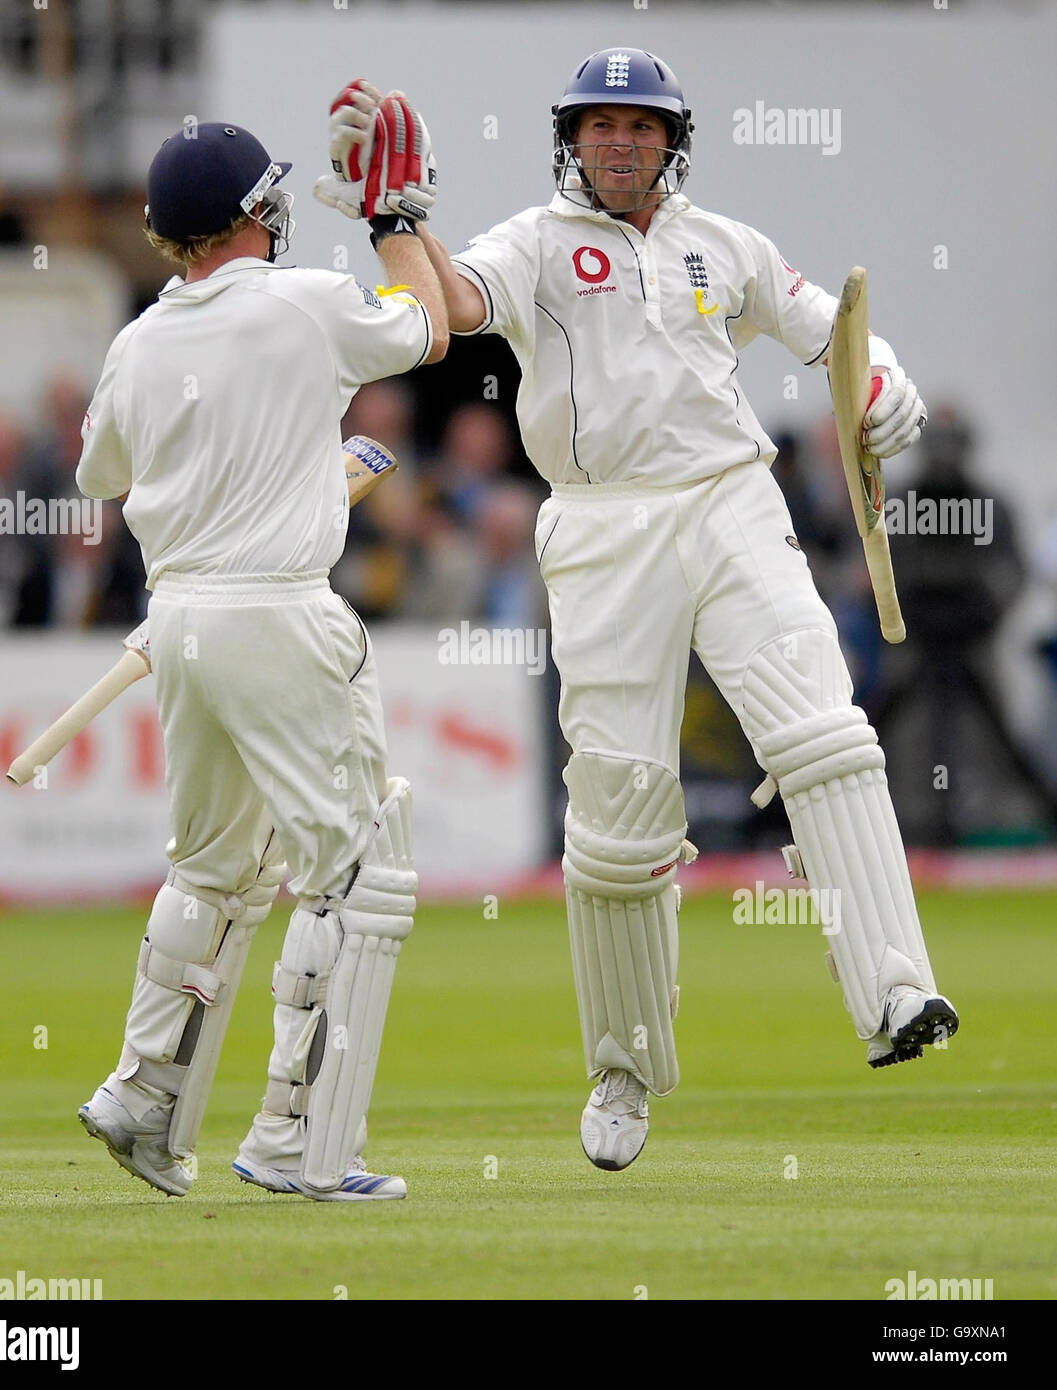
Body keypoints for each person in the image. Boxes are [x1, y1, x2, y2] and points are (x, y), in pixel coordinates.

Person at [371, 48, 957, 1171]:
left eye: (642, 126)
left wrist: (877, 382)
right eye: (601, 125)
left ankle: (895, 990)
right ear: (571, 138)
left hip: (731, 500)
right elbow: (440, 306)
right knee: (619, 811)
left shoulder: (721, 243)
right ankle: (624, 1068)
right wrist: (395, 216)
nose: (622, 143)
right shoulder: (533, 244)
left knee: (825, 737)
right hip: (602, 524)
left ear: (671, 140)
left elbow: (827, 329)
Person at [76, 99, 448, 1201]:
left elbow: (102, 476)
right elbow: (429, 326)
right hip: (281, 613)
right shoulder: (304, 303)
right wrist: (395, 214)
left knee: (211, 870)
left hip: (180, 620)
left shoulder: (137, 341)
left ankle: (144, 1096)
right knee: (355, 872)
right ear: (254, 216)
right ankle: (299, 1139)